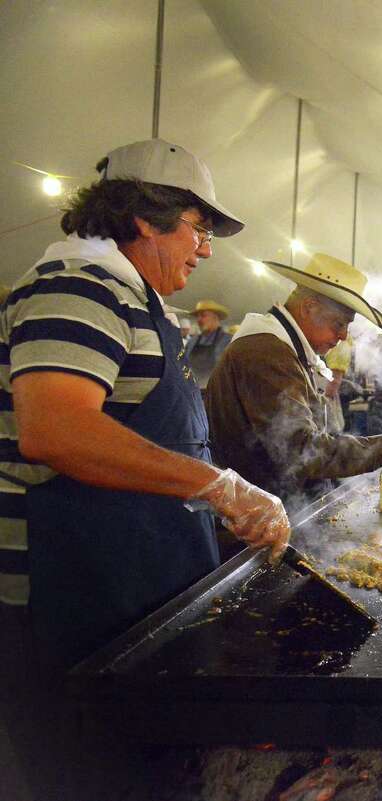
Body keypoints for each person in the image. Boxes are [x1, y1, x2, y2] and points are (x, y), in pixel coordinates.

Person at [0, 138, 290, 669]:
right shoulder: (78, 288)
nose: (206, 249)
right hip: (74, 588)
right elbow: (55, 430)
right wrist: (219, 487)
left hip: (135, 573)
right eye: (198, 228)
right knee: (80, 747)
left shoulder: (134, 301)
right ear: (146, 220)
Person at [205, 252, 382, 502]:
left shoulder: (281, 347)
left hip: (272, 499)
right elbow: (301, 451)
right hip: (255, 509)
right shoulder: (267, 351)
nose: (342, 336)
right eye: (339, 323)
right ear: (309, 307)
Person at [183, 299, 232, 389]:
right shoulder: (192, 341)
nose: (199, 320)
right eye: (197, 316)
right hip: (193, 392)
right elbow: (183, 365)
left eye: (203, 316)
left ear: (215, 318)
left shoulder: (228, 341)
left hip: (217, 392)